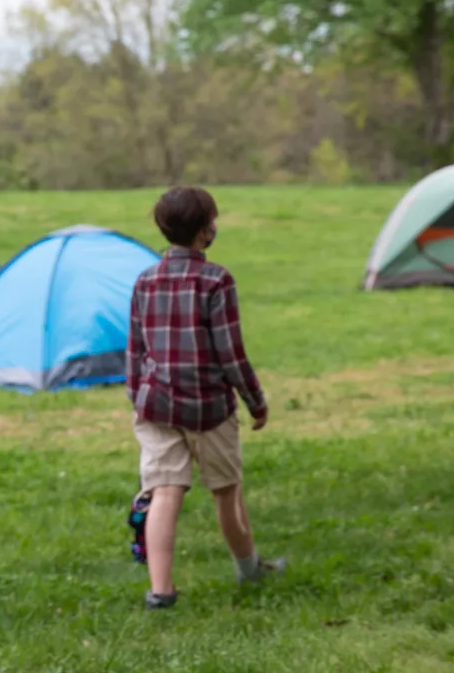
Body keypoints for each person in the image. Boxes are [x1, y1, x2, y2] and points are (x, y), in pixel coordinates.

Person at [126, 186, 284, 610]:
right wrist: (256, 400)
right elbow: (230, 353)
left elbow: (135, 348)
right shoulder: (217, 279)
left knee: (164, 491)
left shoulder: (145, 280)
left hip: (156, 405)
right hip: (210, 409)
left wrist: (135, 395)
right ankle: (249, 568)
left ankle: (161, 592)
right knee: (227, 491)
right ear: (204, 231)